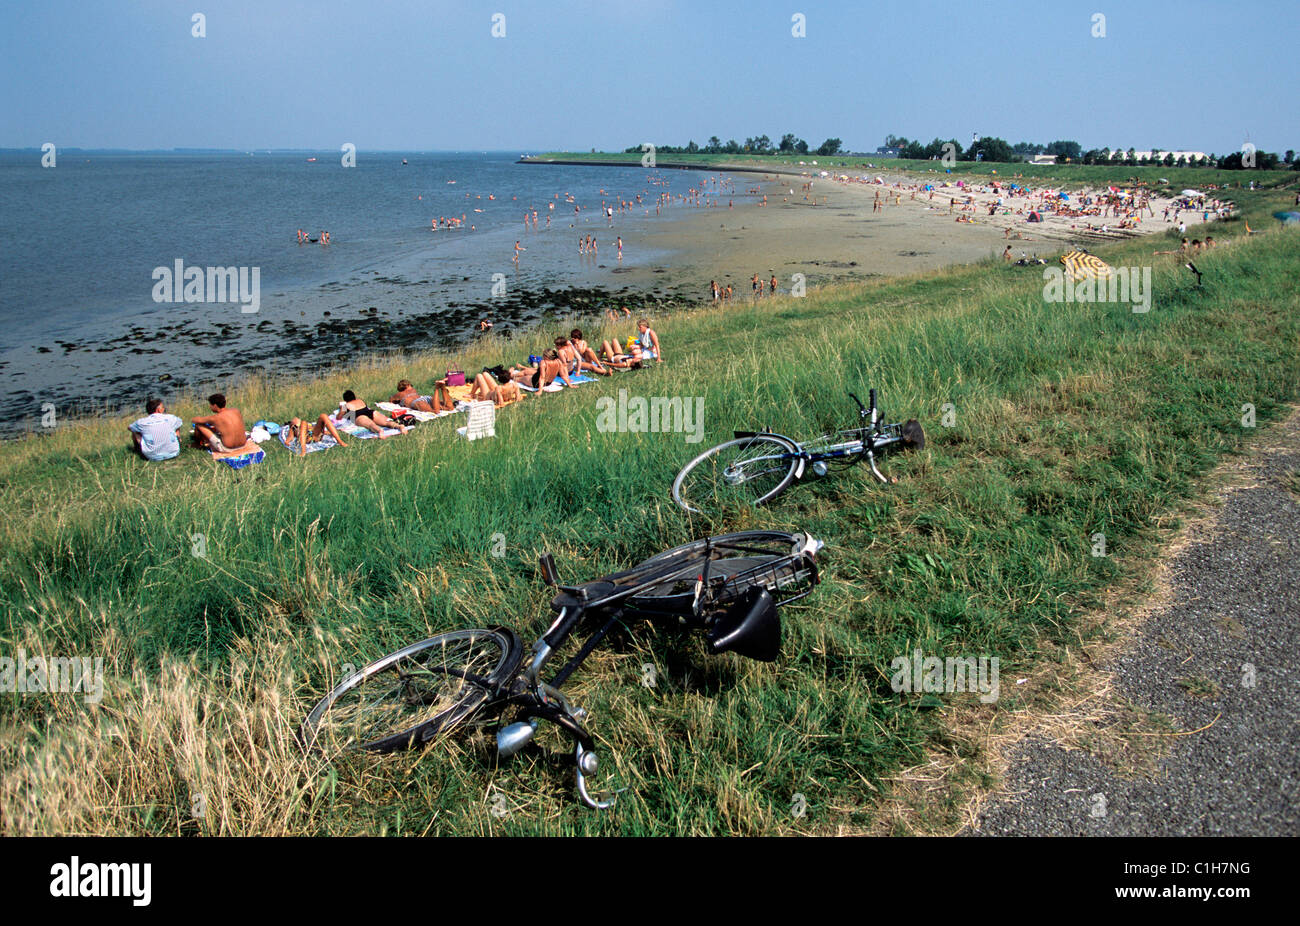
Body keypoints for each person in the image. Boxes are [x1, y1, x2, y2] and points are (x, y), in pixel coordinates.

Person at [339, 390, 408, 437]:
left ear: (345, 400)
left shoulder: (346, 405)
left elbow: (339, 417)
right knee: (386, 423)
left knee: (371, 425)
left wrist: (342, 410)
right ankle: (400, 426)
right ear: (354, 396)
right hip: (370, 412)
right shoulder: (360, 400)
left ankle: (380, 431)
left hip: (360, 416)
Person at [283, 414, 349, 456]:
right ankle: (303, 450)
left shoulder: (307, 424)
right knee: (304, 422)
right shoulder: (293, 428)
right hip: (307, 439)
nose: (296, 419)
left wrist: (330, 432)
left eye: (297, 419)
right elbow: (290, 437)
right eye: (294, 420)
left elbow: (320, 430)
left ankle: (339, 441)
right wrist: (287, 441)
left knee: (323, 416)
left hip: (317, 435)